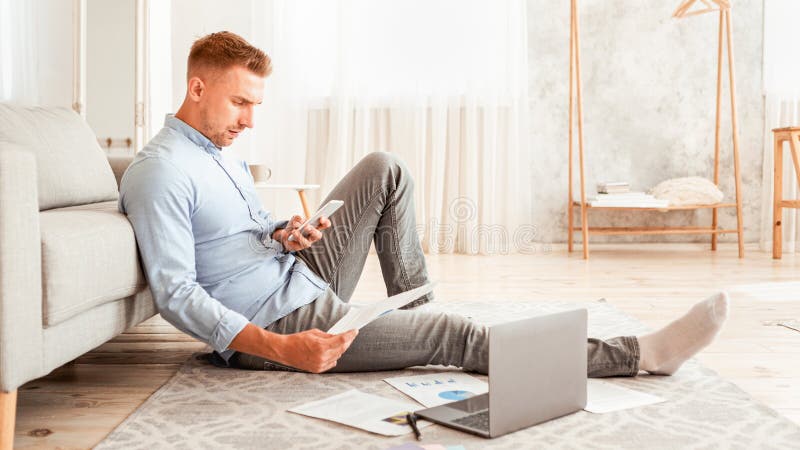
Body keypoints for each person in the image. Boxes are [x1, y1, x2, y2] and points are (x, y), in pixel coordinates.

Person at [119, 31, 728, 376]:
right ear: (197, 88)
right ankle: (640, 356)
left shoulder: (219, 147)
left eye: (257, 105)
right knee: (454, 336)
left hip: (296, 274)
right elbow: (177, 294)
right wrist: (282, 349)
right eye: (239, 104)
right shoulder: (160, 173)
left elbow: (230, 232)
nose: (250, 120)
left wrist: (284, 231)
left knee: (385, 170)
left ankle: (416, 306)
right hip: (280, 322)